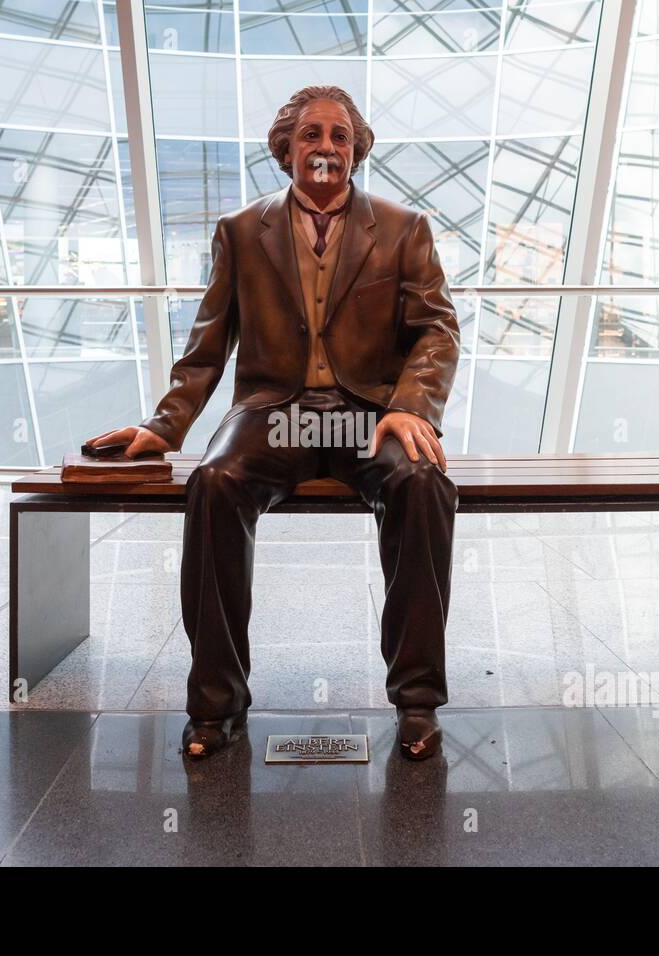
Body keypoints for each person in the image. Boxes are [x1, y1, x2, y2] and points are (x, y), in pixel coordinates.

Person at [87, 85, 459, 761]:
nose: (325, 148)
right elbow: (208, 341)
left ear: (356, 151)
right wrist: (165, 427)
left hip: (366, 414)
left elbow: (436, 328)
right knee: (215, 483)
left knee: (423, 483)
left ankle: (417, 702)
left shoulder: (404, 229)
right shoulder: (240, 232)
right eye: (311, 135)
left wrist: (408, 406)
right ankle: (216, 706)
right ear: (286, 149)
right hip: (271, 413)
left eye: (340, 137)